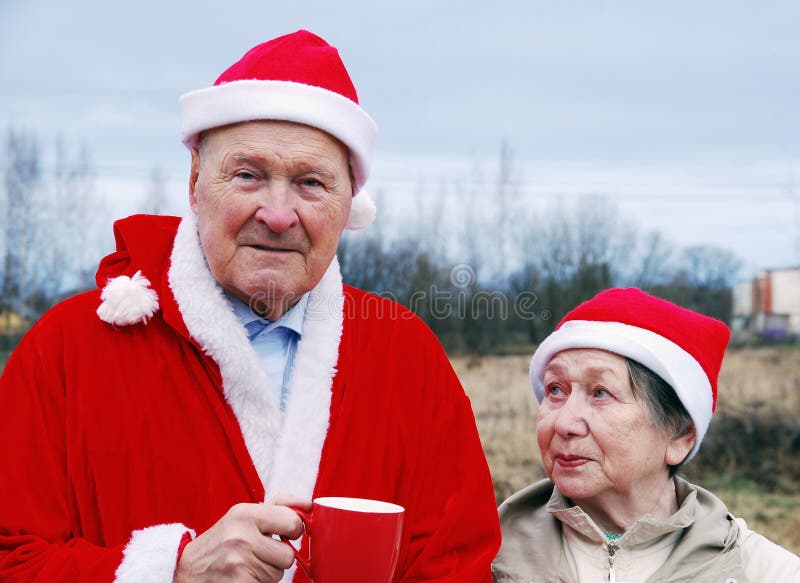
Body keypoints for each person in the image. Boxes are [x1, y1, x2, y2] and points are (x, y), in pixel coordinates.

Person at [0, 30, 501, 582]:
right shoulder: (69, 351)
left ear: (348, 207)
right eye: (248, 175)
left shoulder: (407, 358)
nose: (279, 213)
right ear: (195, 183)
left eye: (311, 183)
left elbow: (458, 564)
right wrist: (173, 571)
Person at [492, 288, 800, 582]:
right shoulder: (488, 556)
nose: (564, 423)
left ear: (679, 436)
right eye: (555, 389)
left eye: (601, 392)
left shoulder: (759, 571)